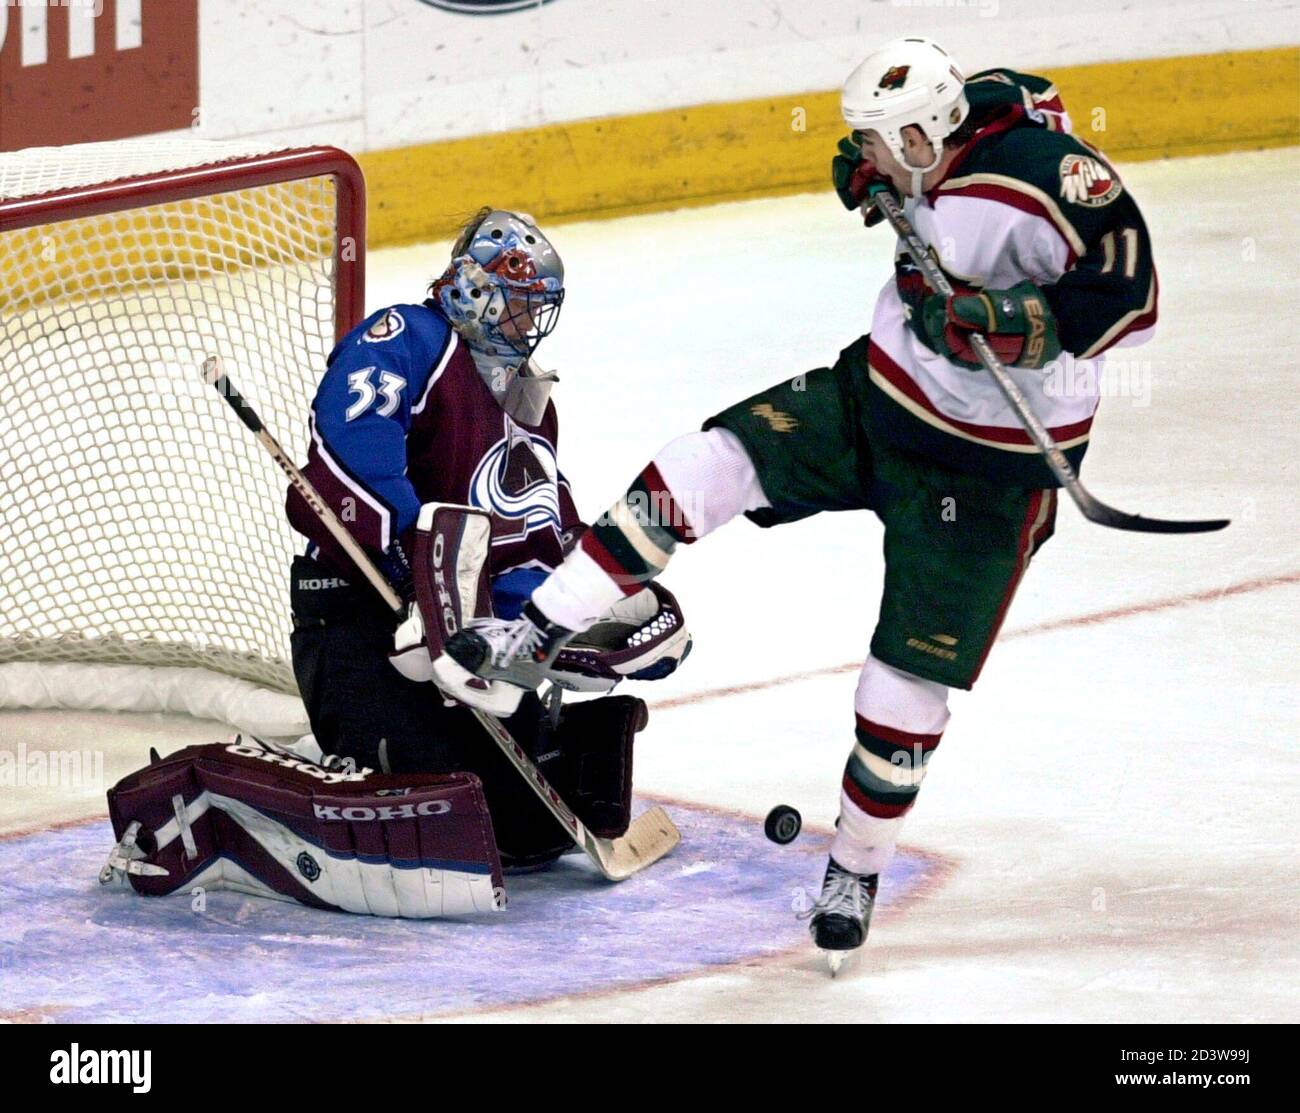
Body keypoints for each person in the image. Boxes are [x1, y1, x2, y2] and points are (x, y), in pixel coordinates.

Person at [432, 38, 1158, 961]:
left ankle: (854, 868)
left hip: (993, 468)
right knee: (711, 461)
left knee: (903, 684)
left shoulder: (1046, 179)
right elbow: (949, 133)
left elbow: (1135, 298)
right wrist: (873, 173)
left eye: (879, 140)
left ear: (926, 135)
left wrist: (1022, 324)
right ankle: (536, 630)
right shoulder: (942, 132)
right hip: (878, 399)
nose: (869, 151)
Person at [284, 207, 691, 871]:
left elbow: (543, 532)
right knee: (435, 809)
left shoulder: (525, 401)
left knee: (525, 829)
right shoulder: (410, 338)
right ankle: (321, 766)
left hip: (454, 633)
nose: (531, 324)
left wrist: (598, 596)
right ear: (480, 289)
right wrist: (414, 562)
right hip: (363, 614)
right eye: (522, 305)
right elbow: (352, 444)